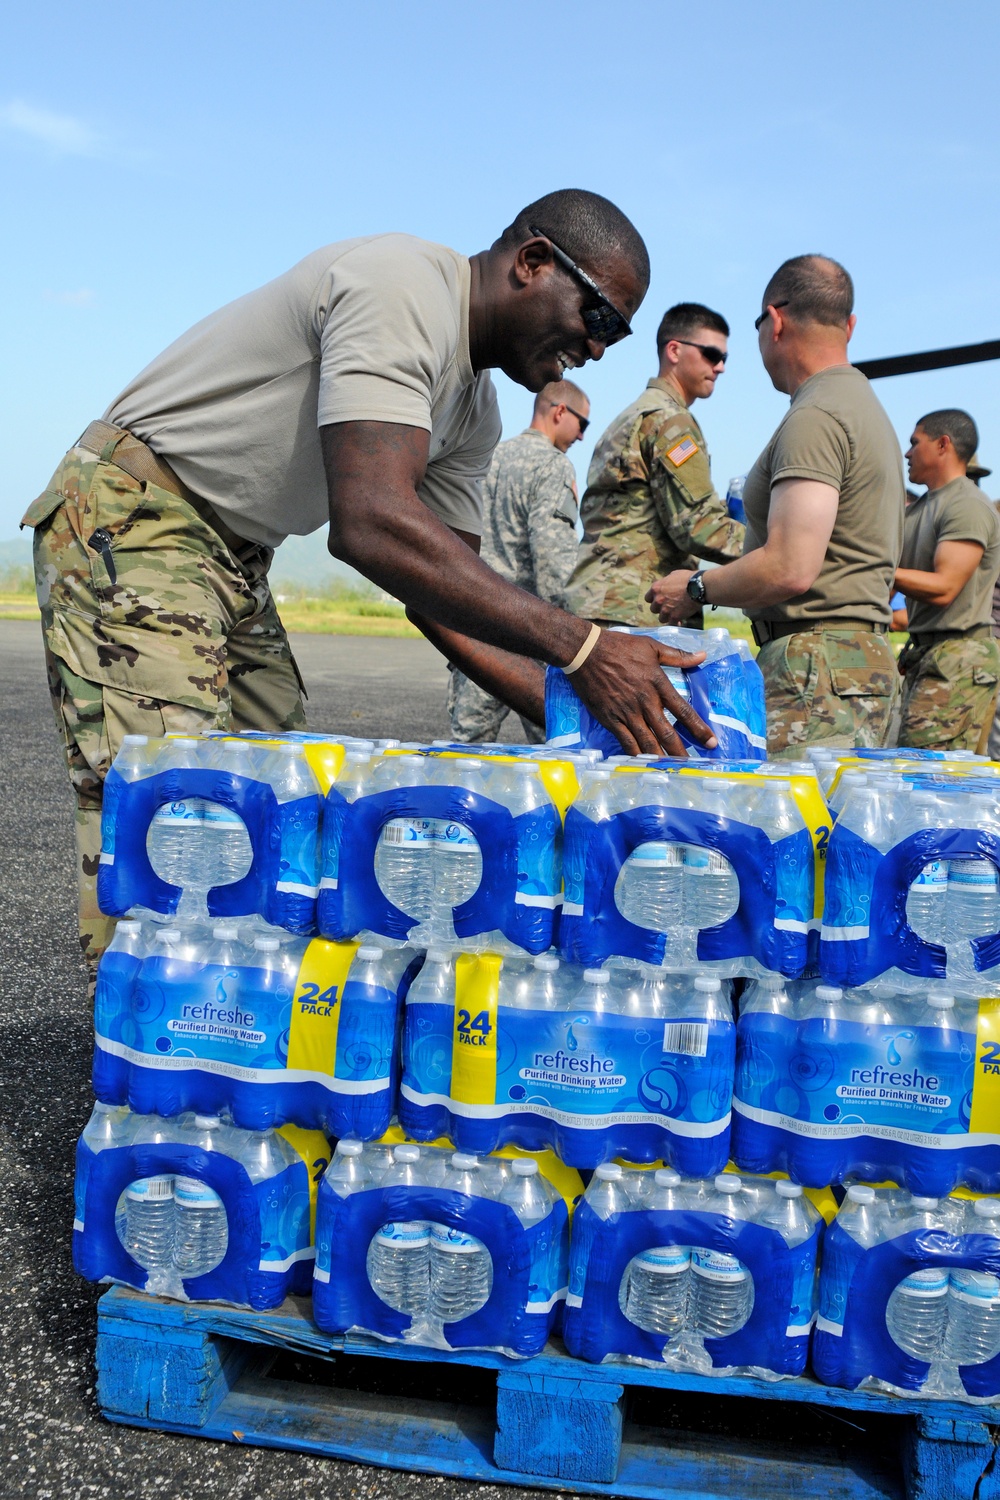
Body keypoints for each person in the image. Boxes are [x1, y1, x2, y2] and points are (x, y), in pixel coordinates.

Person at [22, 189, 717, 988]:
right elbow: (371, 522)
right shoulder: (403, 288)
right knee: (175, 815)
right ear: (533, 262)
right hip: (139, 517)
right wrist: (585, 648)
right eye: (599, 318)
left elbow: (444, 594)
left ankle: (228, 1023)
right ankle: (144, 1047)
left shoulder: (475, 413)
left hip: (234, 555)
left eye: (615, 334)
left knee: (278, 809)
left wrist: (589, 718)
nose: (597, 348)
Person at [646, 255, 905, 758]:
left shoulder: (817, 415)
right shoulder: (862, 409)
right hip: (847, 662)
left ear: (775, 321)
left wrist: (696, 587)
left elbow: (789, 566)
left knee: (793, 808)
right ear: (850, 326)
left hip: (814, 667)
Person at [562, 302, 744, 627]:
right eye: (711, 355)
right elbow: (698, 527)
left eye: (724, 358)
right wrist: (776, 551)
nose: (720, 367)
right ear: (674, 350)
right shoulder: (671, 422)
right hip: (635, 611)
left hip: (600, 603)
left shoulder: (633, 414)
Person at [448, 378, 590, 742]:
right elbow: (553, 561)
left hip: (478, 624)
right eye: (583, 423)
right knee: (559, 744)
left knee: (468, 745)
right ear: (560, 411)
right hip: (530, 630)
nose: (581, 436)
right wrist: (576, 633)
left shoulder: (488, 457)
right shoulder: (553, 466)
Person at [895, 412, 1000, 750]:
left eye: (915, 443)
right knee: (913, 762)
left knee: (931, 772)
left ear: (943, 445)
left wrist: (878, 569)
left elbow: (944, 588)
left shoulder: (967, 505)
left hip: (958, 655)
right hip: (929, 652)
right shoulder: (918, 510)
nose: (907, 453)